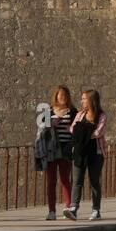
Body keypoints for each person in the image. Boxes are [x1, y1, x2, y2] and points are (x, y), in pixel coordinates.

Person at [65, 89, 107, 221]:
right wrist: (85, 131)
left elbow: (98, 132)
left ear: (91, 101)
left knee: (94, 181)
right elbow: (72, 128)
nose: (82, 101)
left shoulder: (101, 115)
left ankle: (96, 210)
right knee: (77, 181)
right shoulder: (80, 114)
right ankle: (73, 208)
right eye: (82, 99)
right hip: (80, 151)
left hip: (96, 152)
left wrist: (81, 131)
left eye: (84, 99)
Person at [42, 87, 77, 220]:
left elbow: (77, 130)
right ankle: (51, 211)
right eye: (60, 95)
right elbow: (43, 130)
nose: (62, 97)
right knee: (51, 181)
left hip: (65, 149)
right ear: (55, 96)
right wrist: (52, 124)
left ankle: (68, 208)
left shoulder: (73, 111)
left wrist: (71, 130)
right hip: (51, 150)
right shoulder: (48, 110)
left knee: (65, 179)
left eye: (65, 95)